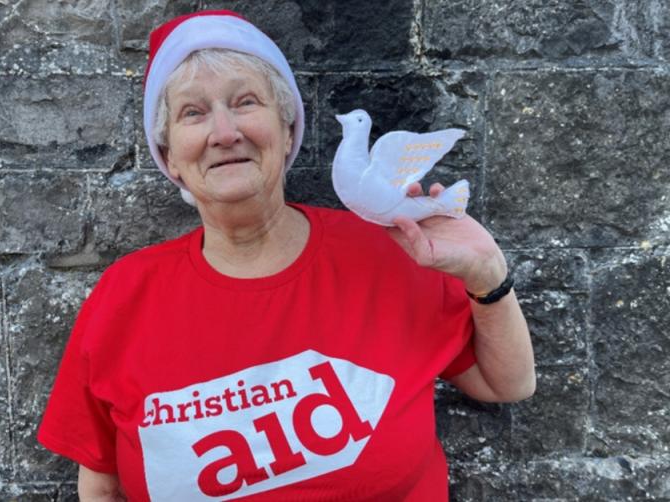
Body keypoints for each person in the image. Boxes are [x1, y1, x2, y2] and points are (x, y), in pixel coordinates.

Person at [37, 10, 535, 502]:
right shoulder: (125, 296)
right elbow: (100, 485)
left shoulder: (390, 253)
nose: (225, 131)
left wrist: (487, 275)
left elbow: (504, 383)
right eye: (194, 112)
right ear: (170, 157)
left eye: (245, 101)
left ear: (288, 128)